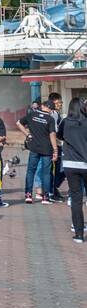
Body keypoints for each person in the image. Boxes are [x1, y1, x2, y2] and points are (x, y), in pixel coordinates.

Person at [18, 99, 58, 204]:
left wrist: (27, 134)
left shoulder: (32, 115)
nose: (51, 111)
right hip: (47, 149)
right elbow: (52, 134)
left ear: (42, 106)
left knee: (31, 171)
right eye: (51, 109)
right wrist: (55, 149)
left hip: (34, 147)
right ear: (47, 108)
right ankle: (45, 197)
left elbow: (18, 123)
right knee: (46, 173)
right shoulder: (50, 119)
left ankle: (28, 195)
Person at [59, 97, 87, 243]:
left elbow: (59, 136)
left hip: (70, 164)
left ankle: (79, 234)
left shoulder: (65, 122)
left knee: (76, 199)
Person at [47, 93, 67, 200]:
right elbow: (53, 132)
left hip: (57, 145)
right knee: (56, 170)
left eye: (61, 102)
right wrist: (55, 148)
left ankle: (53, 189)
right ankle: (51, 191)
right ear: (53, 102)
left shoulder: (56, 114)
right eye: (58, 102)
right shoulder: (52, 114)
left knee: (61, 170)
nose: (60, 104)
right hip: (54, 145)